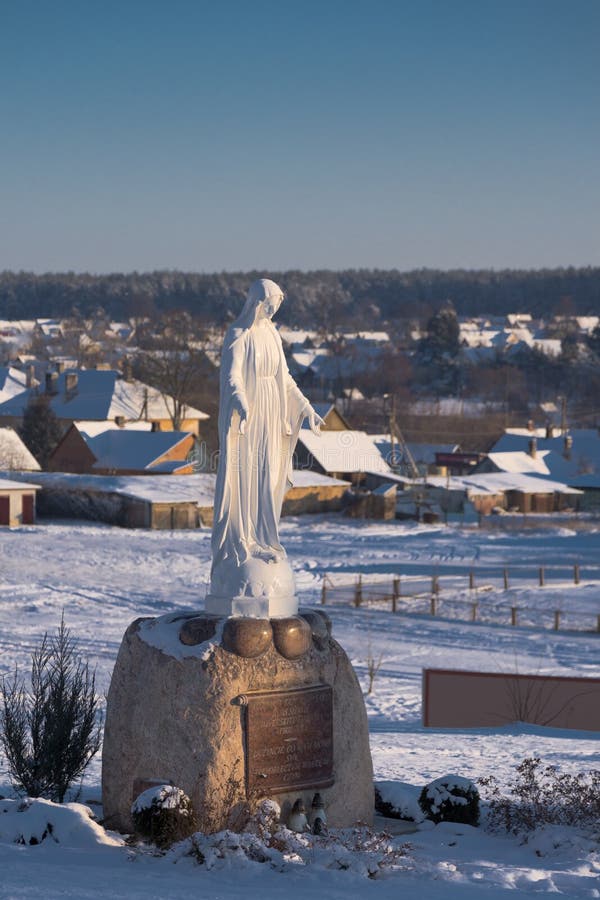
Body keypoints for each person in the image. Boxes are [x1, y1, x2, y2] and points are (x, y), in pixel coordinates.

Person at [209, 278, 323, 605]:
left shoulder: (272, 334)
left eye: (277, 306)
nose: (273, 311)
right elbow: (231, 375)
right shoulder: (239, 333)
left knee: (270, 476)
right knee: (248, 476)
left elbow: (284, 379)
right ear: (257, 303)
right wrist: (240, 401)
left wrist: (305, 407)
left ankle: (265, 540)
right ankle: (245, 539)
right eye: (270, 305)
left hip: (273, 414)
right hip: (251, 415)